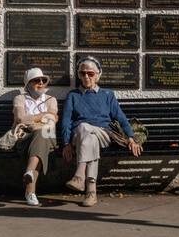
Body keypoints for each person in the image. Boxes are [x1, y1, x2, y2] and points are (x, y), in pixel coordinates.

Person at [60, 56, 142, 208]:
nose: (86, 76)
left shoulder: (107, 95)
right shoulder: (73, 95)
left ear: (98, 75)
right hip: (79, 135)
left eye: (90, 73)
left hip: (104, 134)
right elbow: (66, 121)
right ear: (78, 75)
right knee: (87, 135)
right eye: (82, 73)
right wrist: (66, 143)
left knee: (88, 134)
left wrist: (131, 137)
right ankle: (91, 192)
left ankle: (79, 175)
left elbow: (121, 117)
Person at [11, 67, 58, 206]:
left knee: (42, 133)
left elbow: (53, 119)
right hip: (24, 138)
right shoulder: (20, 98)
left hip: (49, 136)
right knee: (39, 143)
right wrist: (43, 116)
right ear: (28, 84)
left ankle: (30, 187)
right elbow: (21, 119)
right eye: (36, 80)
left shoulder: (51, 99)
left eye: (43, 80)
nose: (41, 83)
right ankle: (30, 186)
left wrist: (34, 118)